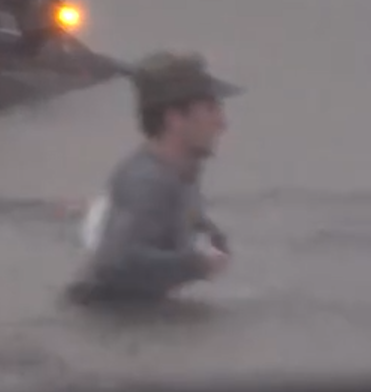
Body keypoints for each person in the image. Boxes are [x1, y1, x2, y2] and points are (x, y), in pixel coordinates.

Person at [67, 50, 241, 306]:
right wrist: (195, 265)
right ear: (174, 118)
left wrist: (211, 238)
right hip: (107, 317)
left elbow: (180, 227)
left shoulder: (183, 171)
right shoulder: (146, 181)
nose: (222, 123)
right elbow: (115, 263)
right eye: (211, 109)